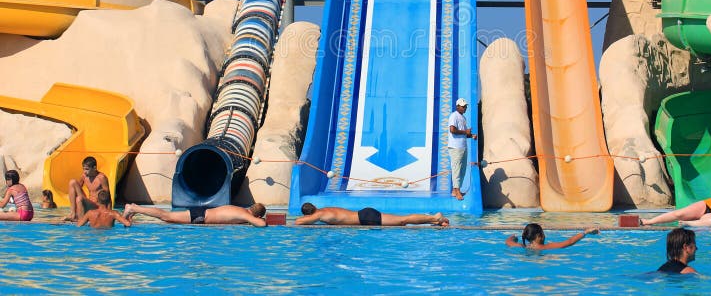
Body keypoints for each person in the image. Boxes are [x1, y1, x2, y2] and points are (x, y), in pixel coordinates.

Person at [295, 203, 449, 227]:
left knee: (403, 221)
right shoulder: (326, 209)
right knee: (401, 220)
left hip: (366, 218)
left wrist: (301, 218)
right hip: (365, 213)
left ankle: (435, 217)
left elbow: (298, 223)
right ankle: (433, 219)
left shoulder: (319, 214)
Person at [123, 203, 267, 227]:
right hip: (200, 216)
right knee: (166, 216)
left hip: (201, 213)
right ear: (257, 215)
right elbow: (261, 225)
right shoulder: (245, 215)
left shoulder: (240, 209)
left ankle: (134, 211)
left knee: (168, 219)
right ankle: (134, 208)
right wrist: (263, 221)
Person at [64, 156, 110, 221]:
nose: (84, 171)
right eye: (83, 169)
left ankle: (81, 220)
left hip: (97, 206)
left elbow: (108, 197)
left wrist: (108, 213)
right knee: (72, 182)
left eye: (87, 169)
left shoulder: (101, 178)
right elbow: (76, 190)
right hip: (88, 203)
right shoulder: (84, 176)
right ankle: (73, 214)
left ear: (94, 168)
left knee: (79, 199)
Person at [448, 97, 476, 201]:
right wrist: (466, 132)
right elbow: (452, 130)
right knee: (457, 169)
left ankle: (455, 191)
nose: (465, 108)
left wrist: (471, 135)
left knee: (463, 169)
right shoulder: (453, 116)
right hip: (455, 147)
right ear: (458, 106)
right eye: (463, 106)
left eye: (466, 106)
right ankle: (457, 190)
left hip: (463, 147)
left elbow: (463, 134)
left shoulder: (463, 118)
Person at [505, 223, 598, 251]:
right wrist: (585, 232)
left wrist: (513, 237)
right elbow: (569, 242)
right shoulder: (546, 247)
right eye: (543, 232)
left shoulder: (523, 246)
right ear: (539, 236)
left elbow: (508, 242)